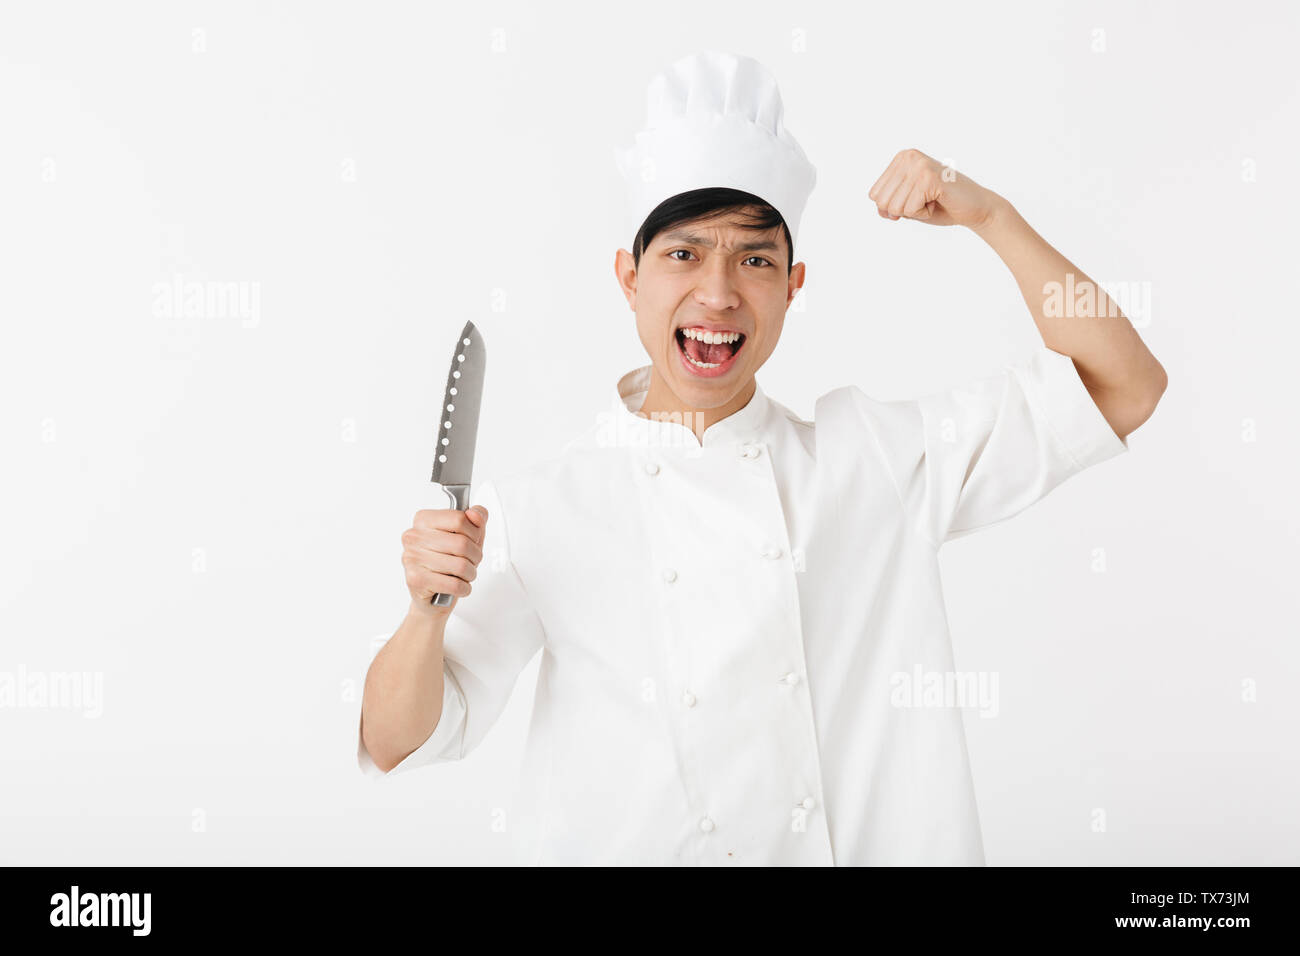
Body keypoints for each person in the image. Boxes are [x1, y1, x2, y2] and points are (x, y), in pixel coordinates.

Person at [356, 50, 1167, 865]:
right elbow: (396, 740)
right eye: (683, 254)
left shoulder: (872, 461)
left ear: (793, 285)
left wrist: (991, 215)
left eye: (754, 259)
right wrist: (427, 611)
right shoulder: (544, 505)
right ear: (628, 278)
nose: (718, 294)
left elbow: (1125, 386)